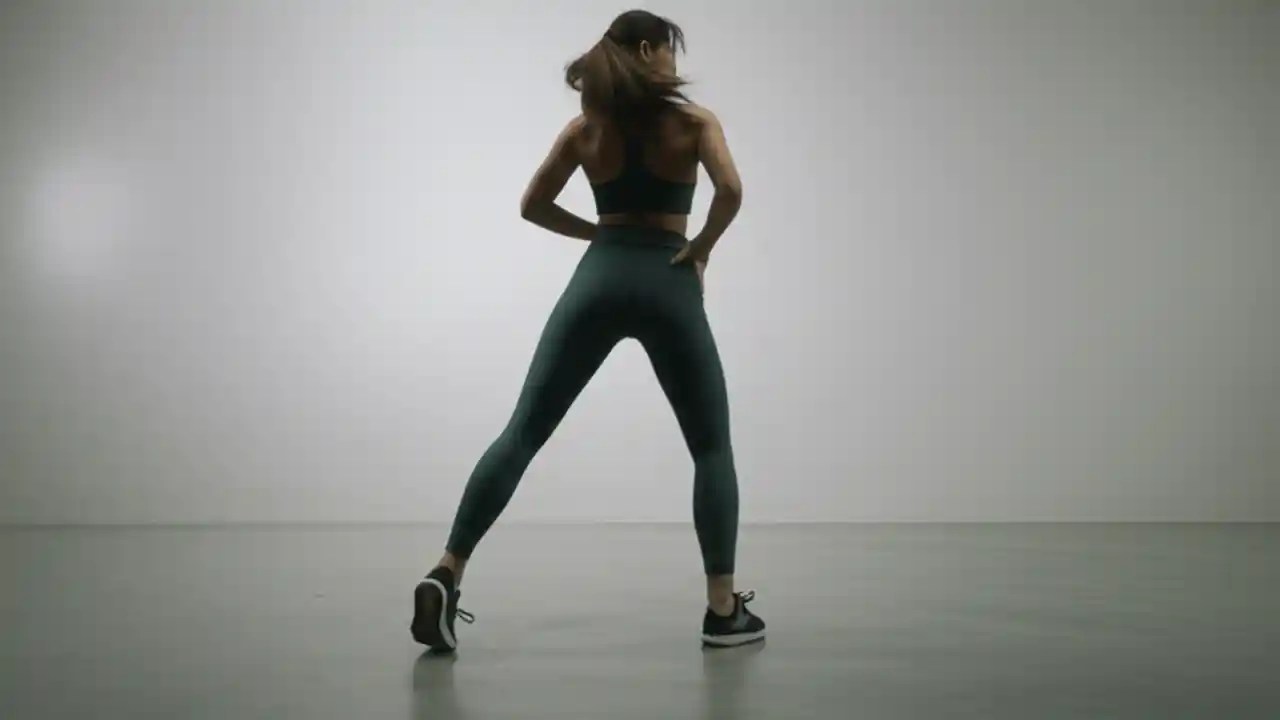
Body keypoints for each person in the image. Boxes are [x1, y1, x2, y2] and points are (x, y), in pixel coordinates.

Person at [410, 9, 765, 652]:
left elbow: (532, 206)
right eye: (671, 52)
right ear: (651, 48)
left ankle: (447, 571)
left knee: (522, 432)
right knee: (711, 447)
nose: (675, 65)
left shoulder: (585, 129)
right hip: (668, 279)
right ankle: (722, 612)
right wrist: (702, 247)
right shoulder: (693, 123)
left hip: (596, 280)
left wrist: (599, 236)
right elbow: (731, 190)